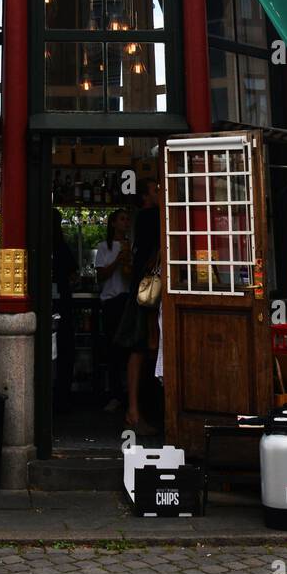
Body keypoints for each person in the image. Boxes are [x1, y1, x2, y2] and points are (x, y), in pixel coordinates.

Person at [114, 180, 161, 434]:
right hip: (148, 293)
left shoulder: (144, 218)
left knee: (142, 349)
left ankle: (137, 410)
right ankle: (134, 412)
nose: (161, 192)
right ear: (144, 197)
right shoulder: (149, 216)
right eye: (156, 189)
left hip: (143, 291)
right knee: (141, 347)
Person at [95, 209, 132, 412]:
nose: (126, 223)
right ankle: (116, 394)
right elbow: (100, 276)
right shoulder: (104, 247)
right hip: (111, 301)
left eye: (127, 219)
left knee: (128, 350)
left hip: (127, 300)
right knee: (113, 349)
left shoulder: (131, 246)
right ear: (113, 224)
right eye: (123, 219)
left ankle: (128, 394)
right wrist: (118, 260)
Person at [52, 210, 79, 414]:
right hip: (63, 303)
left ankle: (53, 396)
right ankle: (63, 396)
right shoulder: (61, 246)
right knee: (64, 350)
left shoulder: (39, 244)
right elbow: (73, 276)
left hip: (49, 304)